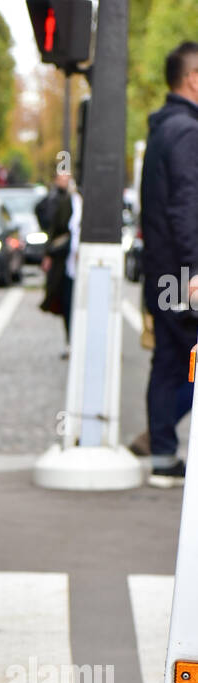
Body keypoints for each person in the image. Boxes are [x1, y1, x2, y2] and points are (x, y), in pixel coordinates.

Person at [138, 40, 198, 487]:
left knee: (170, 362)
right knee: (178, 362)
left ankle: (161, 451)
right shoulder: (187, 131)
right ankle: (160, 446)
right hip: (183, 272)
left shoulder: (163, 128)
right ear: (193, 79)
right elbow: (187, 206)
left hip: (165, 270)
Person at [39, 170, 75, 352]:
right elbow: (51, 226)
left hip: (71, 260)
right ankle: (70, 340)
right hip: (65, 260)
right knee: (66, 301)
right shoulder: (57, 199)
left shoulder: (71, 199)